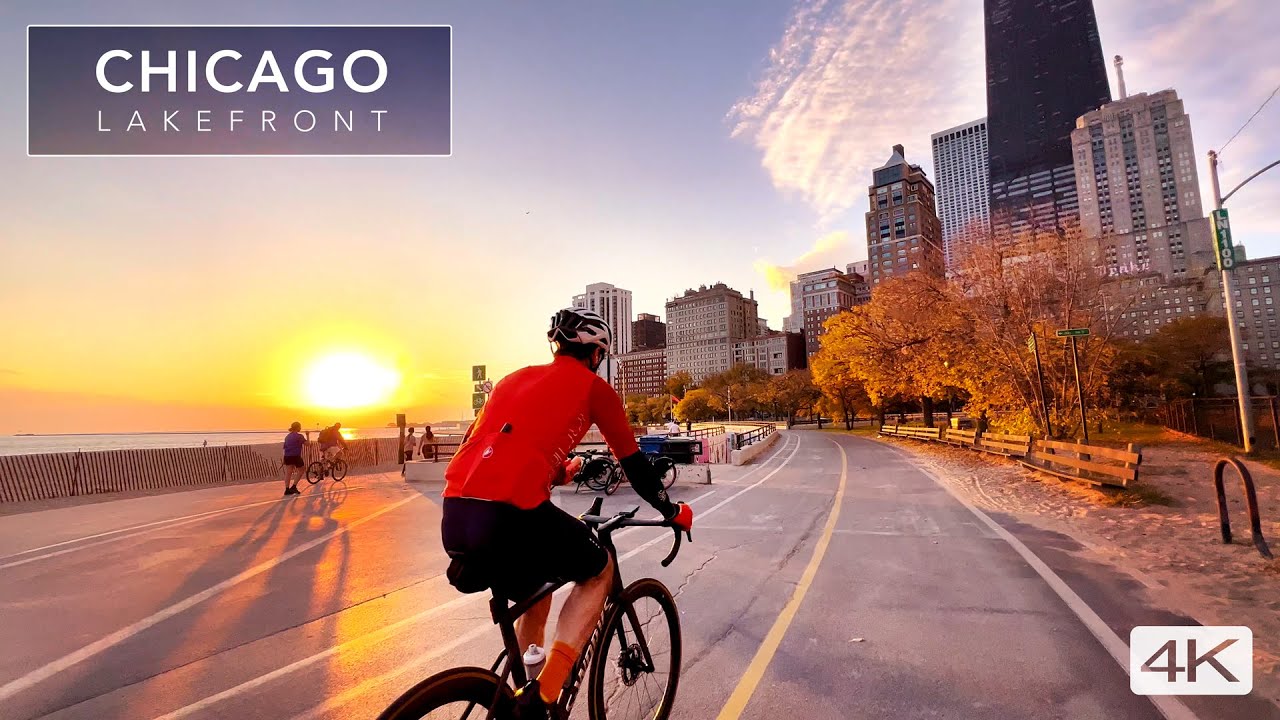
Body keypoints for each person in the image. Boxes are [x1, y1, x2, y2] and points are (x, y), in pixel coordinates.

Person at [441, 307, 693, 720]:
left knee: (534, 589)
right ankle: (544, 696)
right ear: (596, 354)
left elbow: (483, 446)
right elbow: (637, 469)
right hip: (513, 513)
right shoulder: (595, 389)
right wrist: (672, 510)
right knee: (598, 570)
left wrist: (557, 472)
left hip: (457, 513)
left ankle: (523, 689)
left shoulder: (509, 380)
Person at [281, 422, 308, 496]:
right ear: (297, 427)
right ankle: (294, 486)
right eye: (300, 427)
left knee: (288, 472)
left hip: (287, 456)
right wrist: (308, 435)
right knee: (302, 469)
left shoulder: (287, 436)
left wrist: (284, 458)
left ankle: (287, 489)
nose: (300, 428)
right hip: (295, 456)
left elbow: (284, 447)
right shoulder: (299, 436)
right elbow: (308, 444)